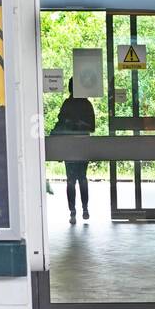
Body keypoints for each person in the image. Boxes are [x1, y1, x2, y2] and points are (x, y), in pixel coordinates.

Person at [53, 78, 96, 224]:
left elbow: (60, 123)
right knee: (82, 178)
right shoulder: (87, 104)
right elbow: (92, 127)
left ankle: (73, 212)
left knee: (71, 180)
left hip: (69, 145)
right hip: (82, 145)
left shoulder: (67, 104)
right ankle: (85, 208)